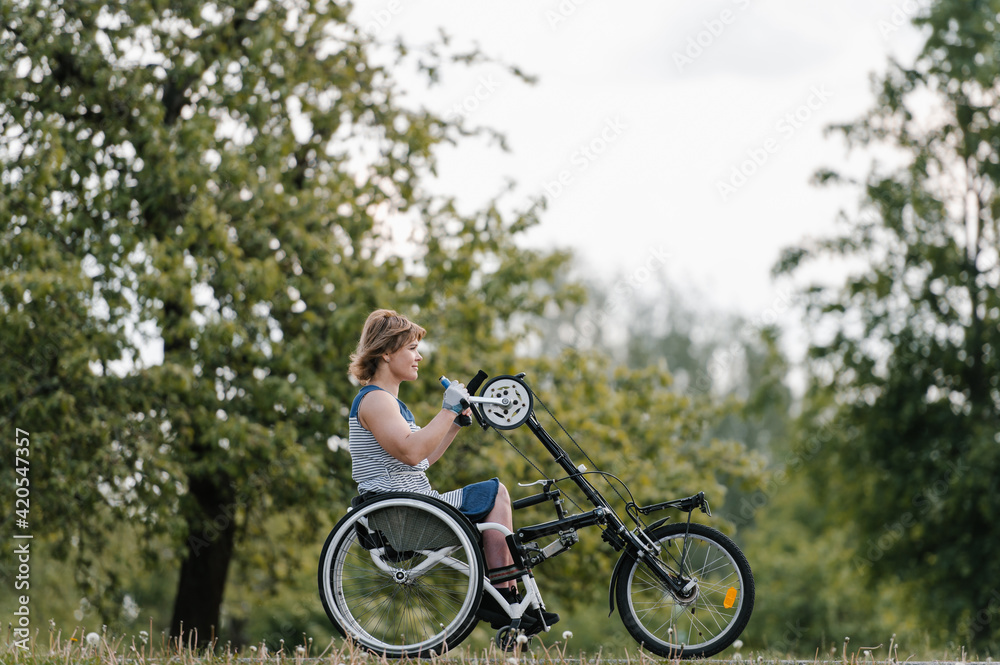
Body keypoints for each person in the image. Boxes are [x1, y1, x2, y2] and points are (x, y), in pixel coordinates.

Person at [347, 308, 557, 631]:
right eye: (412, 348)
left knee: (495, 498)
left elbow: (421, 459)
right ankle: (502, 595)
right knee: (495, 492)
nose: (419, 357)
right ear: (387, 352)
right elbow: (410, 449)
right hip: (406, 514)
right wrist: (446, 409)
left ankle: (505, 596)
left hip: (413, 505)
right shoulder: (376, 401)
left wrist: (454, 423)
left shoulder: (389, 403)